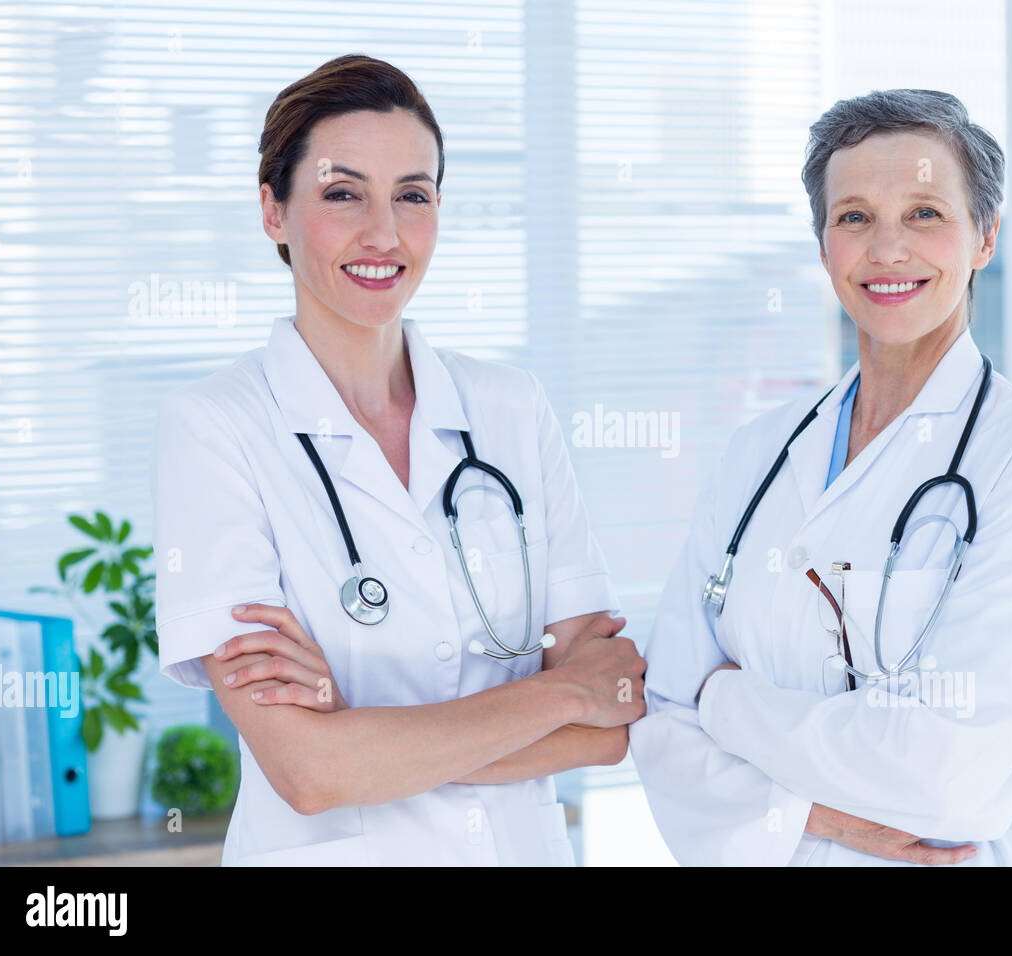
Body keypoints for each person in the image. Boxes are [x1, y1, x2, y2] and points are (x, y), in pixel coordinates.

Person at [151, 54, 644, 866]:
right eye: (343, 194)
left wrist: (360, 737)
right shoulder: (215, 427)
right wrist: (559, 694)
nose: (383, 233)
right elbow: (309, 772)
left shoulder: (511, 408)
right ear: (273, 211)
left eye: (412, 195)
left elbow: (611, 721)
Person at [629, 89, 1012, 866]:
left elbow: (957, 776)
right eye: (854, 217)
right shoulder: (758, 454)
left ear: (984, 236)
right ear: (823, 247)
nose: (887, 250)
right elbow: (663, 722)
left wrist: (725, 700)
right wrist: (815, 816)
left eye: (924, 213)